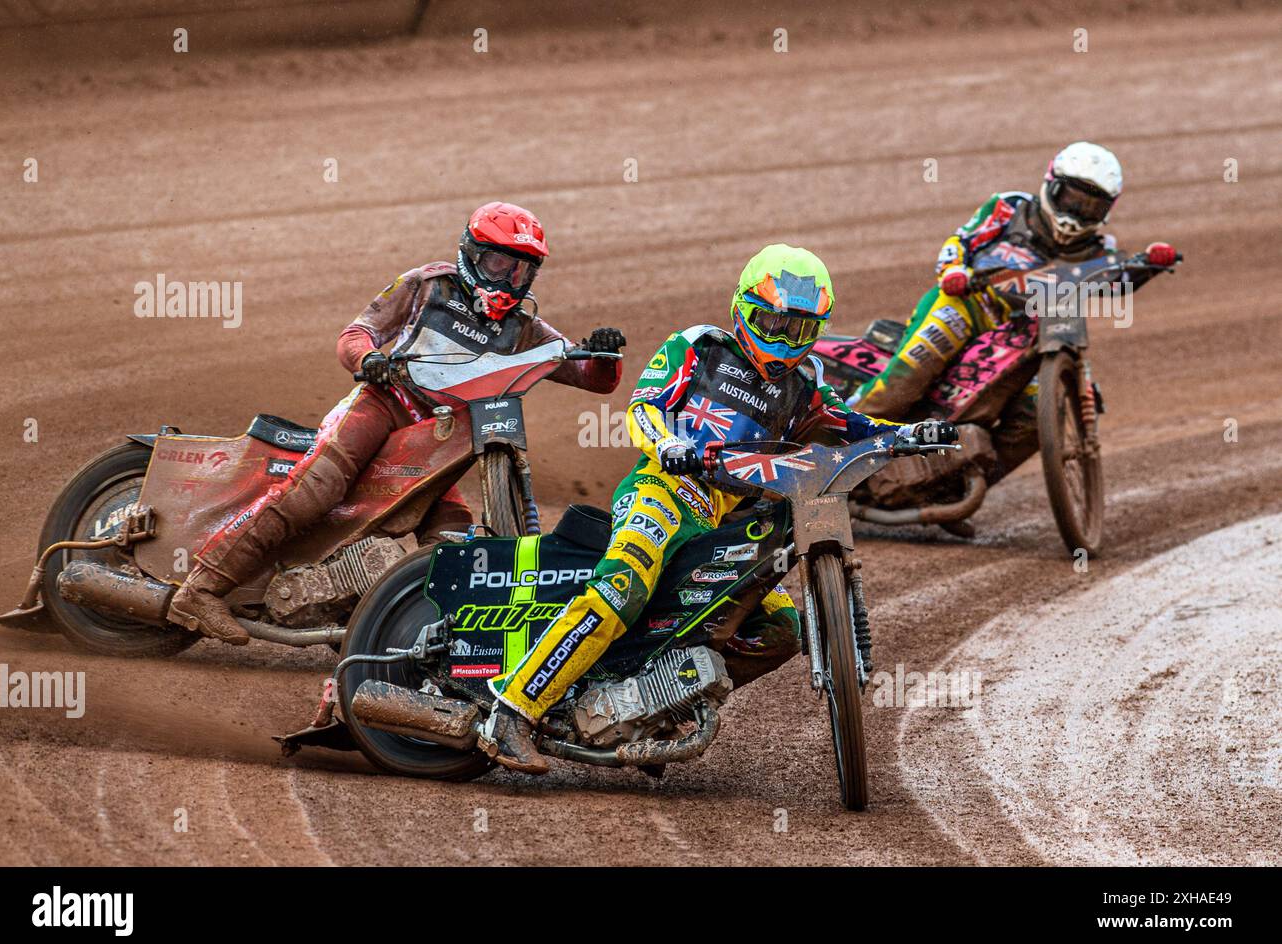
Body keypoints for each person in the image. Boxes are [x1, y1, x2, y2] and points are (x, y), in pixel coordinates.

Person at [481, 243, 956, 773]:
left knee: (779, 629)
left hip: (725, 523)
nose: (782, 341)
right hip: (662, 491)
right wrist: (666, 444)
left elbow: (854, 425)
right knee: (623, 586)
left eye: (798, 330)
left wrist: (909, 434)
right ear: (742, 308)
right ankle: (511, 711)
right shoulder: (700, 346)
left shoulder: (807, 384)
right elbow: (645, 405)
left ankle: (650, 708)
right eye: (772, 322)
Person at [167, 202, 625, 645]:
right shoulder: (428, 285)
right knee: (316, 491)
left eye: (522, 269)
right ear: (471, 252)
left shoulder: (525, 328)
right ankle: (200, 591)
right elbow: (355, 334)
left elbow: (590, 376)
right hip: (383, 405)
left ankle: (432, 644)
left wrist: (605, 354)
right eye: (500, 262)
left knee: (451, 534)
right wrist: (370, 359)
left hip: (436, 442)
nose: (510, 278)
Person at [851, 142, 1176, 483]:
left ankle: (951, 484)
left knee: (1040, 413)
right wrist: (953, 271)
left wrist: (1149, 264)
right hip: (970, 306)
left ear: (1106, 211)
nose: (1075, 214)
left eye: (1089, 207)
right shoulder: (1009, 207)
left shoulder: (1098, 250)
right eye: (1070, 199)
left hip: (1032, 335)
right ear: (1052, 185)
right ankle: (838, 450)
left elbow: (1113, 284)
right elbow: (961, 241)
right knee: (907, 379)